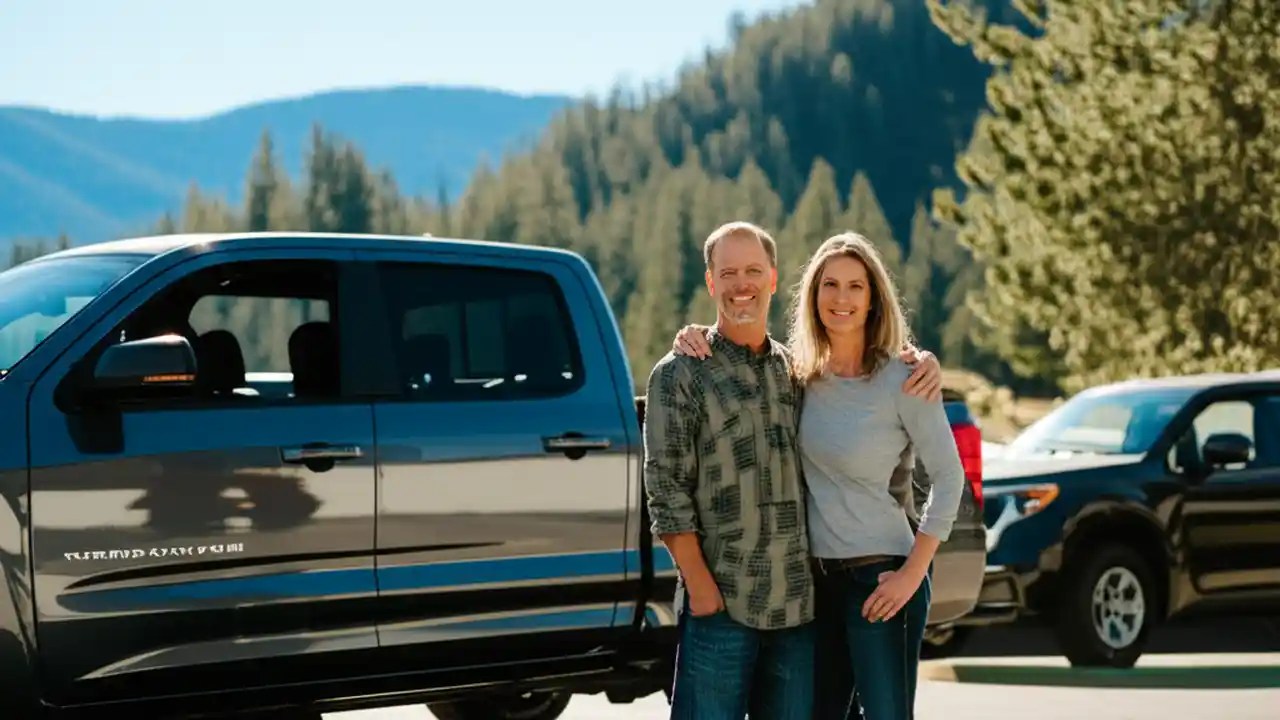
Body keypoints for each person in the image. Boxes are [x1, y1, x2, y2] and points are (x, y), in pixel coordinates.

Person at [644, 221, 942, 720]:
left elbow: (860, 386)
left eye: (754, 271)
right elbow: (666, 488)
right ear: (711, 282)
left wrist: (923, 360)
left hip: (798, 613)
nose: (743, 284)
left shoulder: (798, 373)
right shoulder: (679, 373)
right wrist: (700, 590)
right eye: (730, 272)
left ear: (774, 278)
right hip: (720, 602)